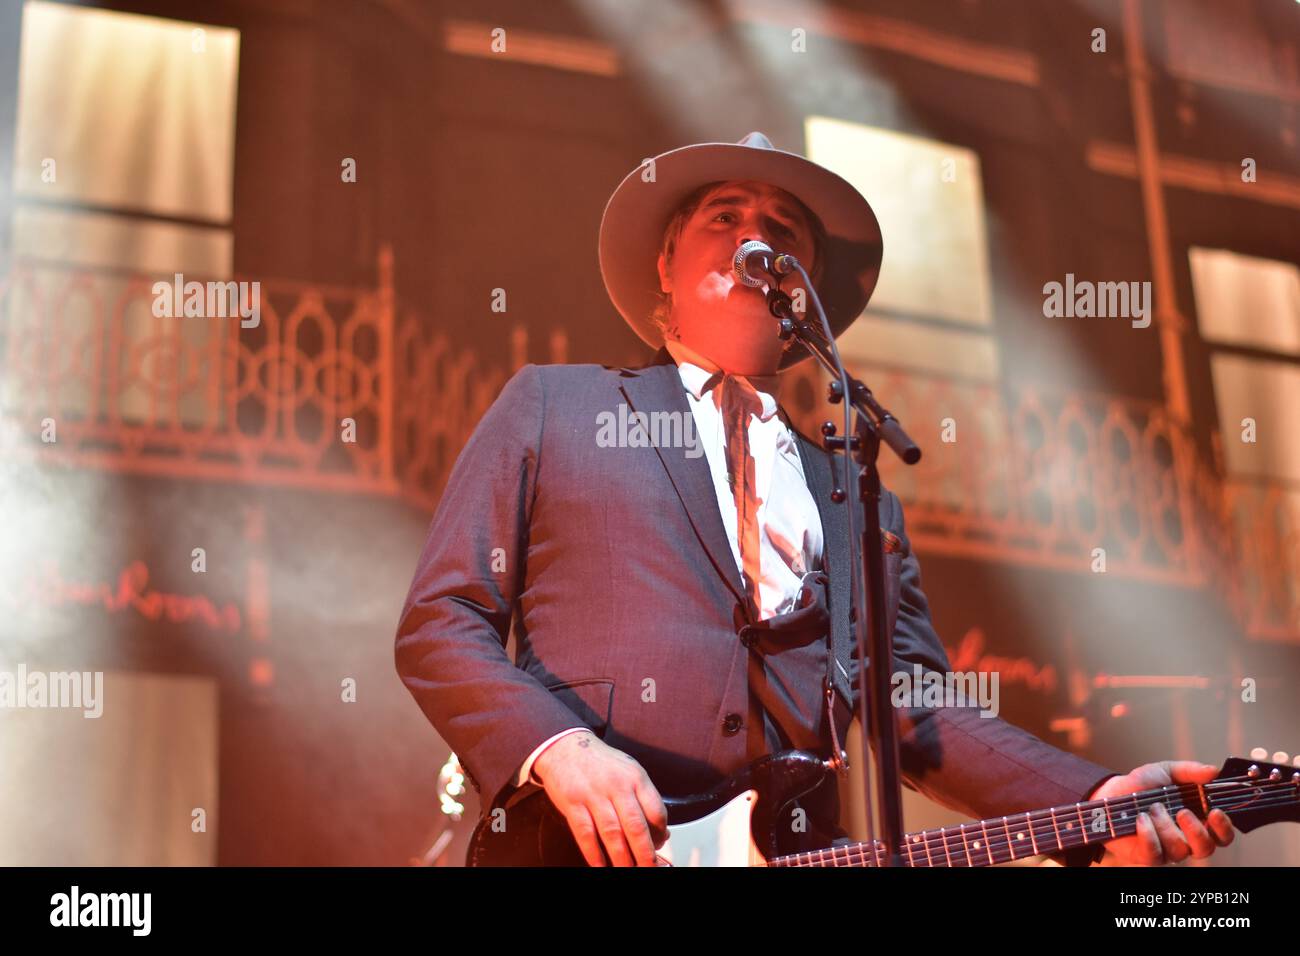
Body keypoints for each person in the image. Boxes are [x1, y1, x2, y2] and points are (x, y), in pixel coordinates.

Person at [394, 132, 1235, 867]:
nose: (754, 236)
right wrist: (559, 749)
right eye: (724, 216)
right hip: (579, 849)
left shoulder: (853, 493)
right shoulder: (555, 403)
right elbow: (442, 620)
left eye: (782, 230)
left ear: (805, 293)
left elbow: (913, 710)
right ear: (666, 263)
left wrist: (1096, 800)